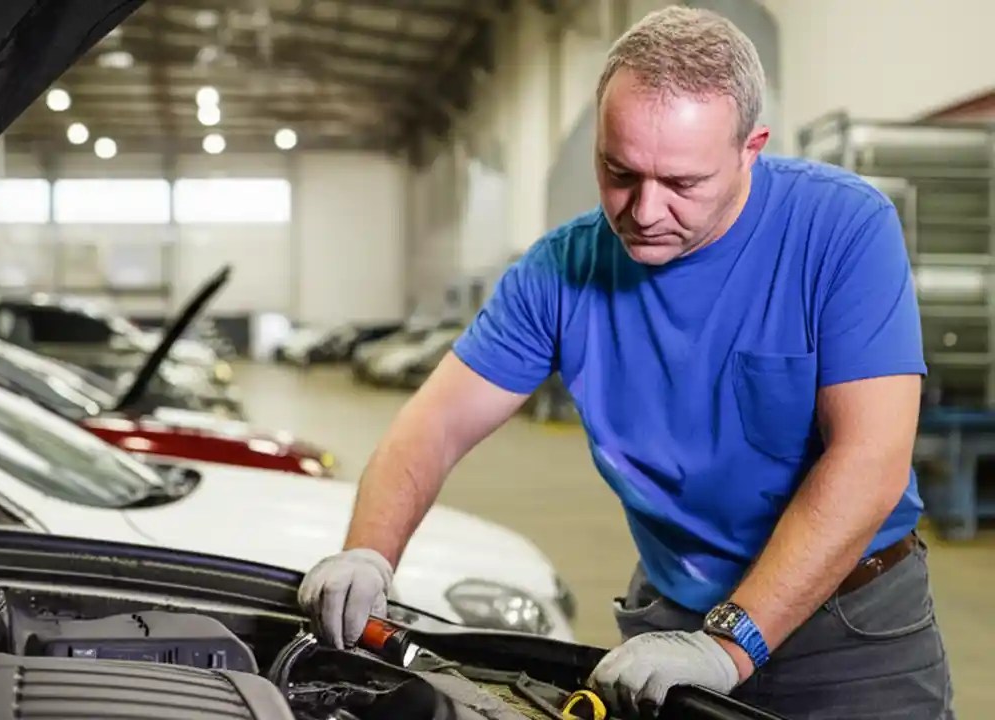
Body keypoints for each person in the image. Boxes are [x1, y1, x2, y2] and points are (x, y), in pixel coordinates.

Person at [297, 6, 955, 720]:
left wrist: (730, 645)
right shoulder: (559, 271)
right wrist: (368, 553)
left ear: (751, 148)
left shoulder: (841, 230)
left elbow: (870, 462)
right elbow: (433, 427)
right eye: (620, 173)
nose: (644, 210)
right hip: (673, 621)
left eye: (682, 184)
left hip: (848, 632)